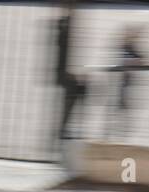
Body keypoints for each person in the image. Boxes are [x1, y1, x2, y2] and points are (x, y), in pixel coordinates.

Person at [51, 0, 87, 153]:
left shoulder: (65, 25)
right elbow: (62, 53)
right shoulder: (63, 26)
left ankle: (64, 128)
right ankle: (63, 129)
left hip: (65, 71)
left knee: (75, 95)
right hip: (62, 72)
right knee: (73, 95)